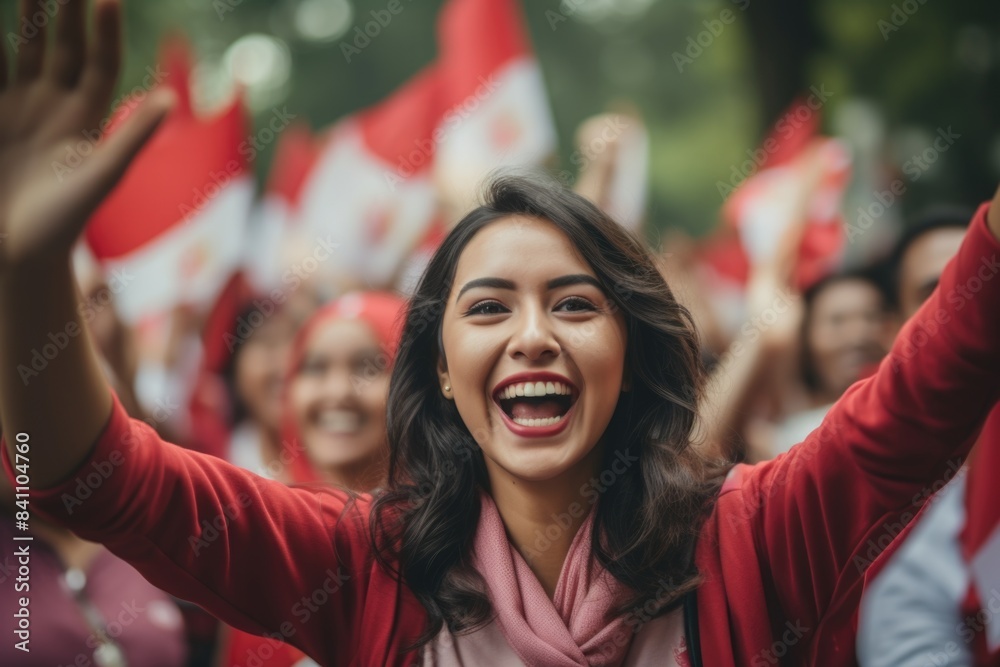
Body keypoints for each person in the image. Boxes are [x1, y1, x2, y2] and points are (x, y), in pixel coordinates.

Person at [2, 3, 1000, 665]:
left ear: (633, 351)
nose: (532, 336)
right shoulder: (364, 570)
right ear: (439, 370)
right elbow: (98, 479)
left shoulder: (756, 536)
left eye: (574, 304)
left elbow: (933, 380)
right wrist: (28, 272)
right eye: (488, 309)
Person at [222, 291, 405, 667]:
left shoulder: (452, 544)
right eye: (316, 368)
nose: (337, 392)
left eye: (369, 367)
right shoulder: (262, 535)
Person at [856, 206, 1000, 667]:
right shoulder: (848, 473)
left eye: (984, 283)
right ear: (890, 327)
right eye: (935, 293)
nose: (966, 306)